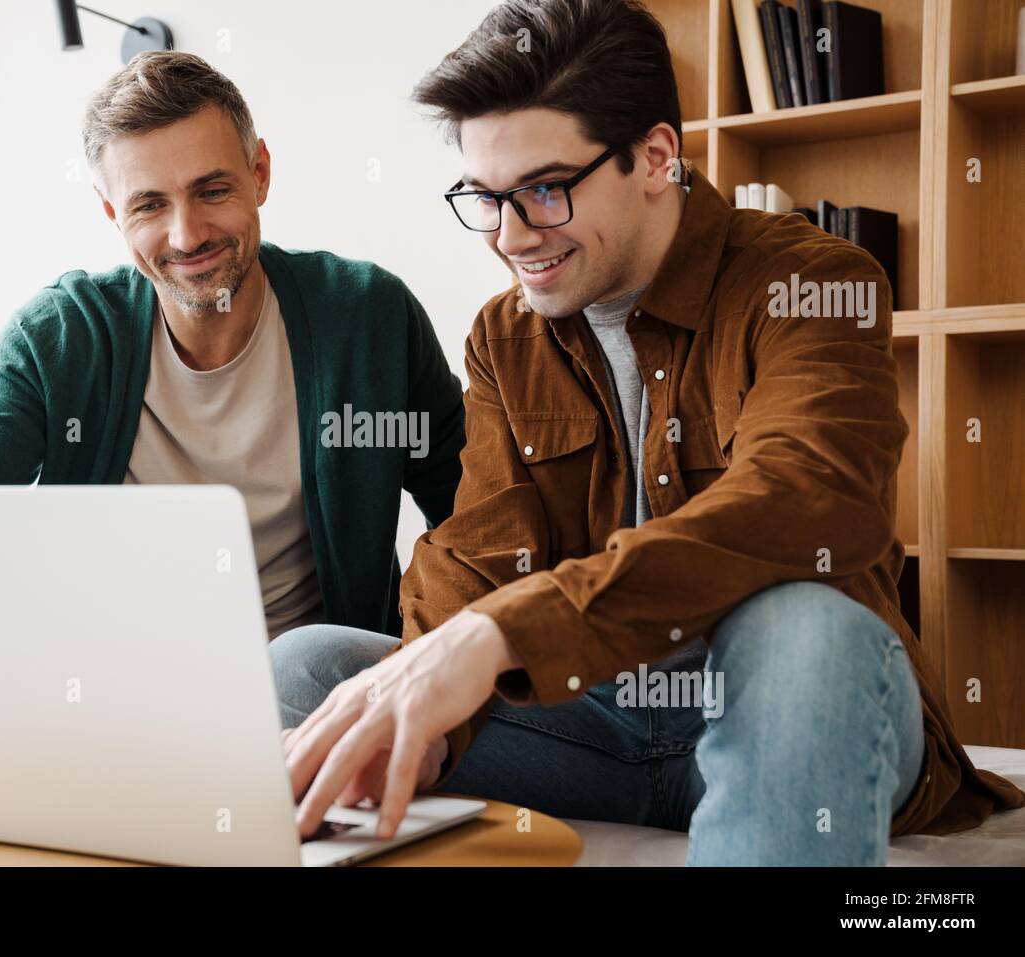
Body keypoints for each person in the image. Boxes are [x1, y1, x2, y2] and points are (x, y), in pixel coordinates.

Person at [276, 0, 1024, 865]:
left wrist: (504, 634)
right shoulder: (503, 335)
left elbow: (804, 501)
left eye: (544, 191)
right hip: (589, 727)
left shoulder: (814, 279)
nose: (510, 237)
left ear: (657, 157)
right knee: (311, 668)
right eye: (485, 199)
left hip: (784, 708)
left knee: (804, 632)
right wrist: (430, 702)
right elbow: (480, 553)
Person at [0, 51, 465, 815]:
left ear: (261, 174)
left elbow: (476, 511)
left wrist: (426, 643)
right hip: (101, 691)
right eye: (149, 204)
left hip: (296, 694)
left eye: (212, 189)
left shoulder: (366, 315)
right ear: (112, 214)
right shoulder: (65, 332)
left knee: (301, 667)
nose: (186, 234)